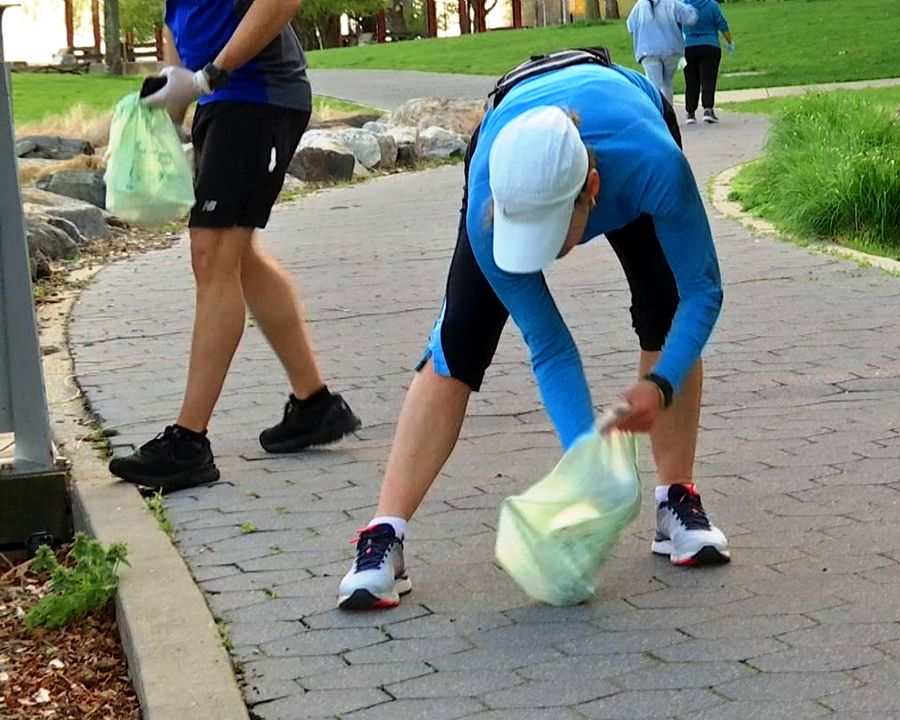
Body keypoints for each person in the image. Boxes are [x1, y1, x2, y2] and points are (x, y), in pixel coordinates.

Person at [337, 51, 729, 610]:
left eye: (552, 231)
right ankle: (384, 536)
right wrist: (585, 469)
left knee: (665, 308)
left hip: (628, 113)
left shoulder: (653, 167)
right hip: (511, 117)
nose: (542, 252)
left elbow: (704, 290)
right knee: (460, 341)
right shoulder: (489, 205)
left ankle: (676, 501)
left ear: (591, 188)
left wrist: (660, 384)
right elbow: (550, 346)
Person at [107, 0, 361, 491]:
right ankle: (315, 405)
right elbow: (179, 19)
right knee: (236, 258)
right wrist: (171, 103)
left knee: (213, 255)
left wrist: (208, 77)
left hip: (256, 96)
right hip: (225, 102)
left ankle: (189, 442)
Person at [626, 0, 698, 103]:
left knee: (653, 84)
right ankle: (667, 112)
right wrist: (691, 7)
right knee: (667, 83)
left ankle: (654, 110)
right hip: (670, 49)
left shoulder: (640, 5)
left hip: (647, 50)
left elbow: (630, 26)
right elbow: (691, 19)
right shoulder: (672, 3)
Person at [682, 0, 733, 124]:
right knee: (708, 78)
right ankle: (708, 109)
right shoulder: (711, 5)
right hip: (710, 45)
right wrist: (729, 41)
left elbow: (676, 25)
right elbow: (722, 23)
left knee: (691, 80)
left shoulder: (682, 6)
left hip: (688, 46)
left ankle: (690, 112)